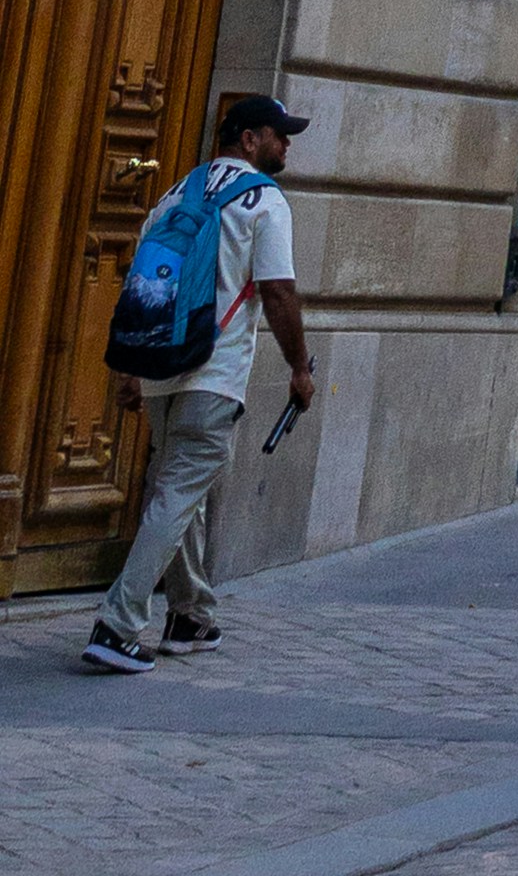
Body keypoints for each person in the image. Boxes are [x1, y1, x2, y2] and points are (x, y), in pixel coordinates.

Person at [81, 87, 312, 679]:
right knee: (179, 494)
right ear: (248, 139)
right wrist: (300, 368)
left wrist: (134, 368)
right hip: (215, 371)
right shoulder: (264, 200)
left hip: (162, 368)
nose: (286, 144)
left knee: (176, 488)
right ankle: (118, 622)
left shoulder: (174, 193)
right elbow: (279, 292)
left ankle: (190, 616)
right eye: (279, 133)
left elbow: (143, 285)